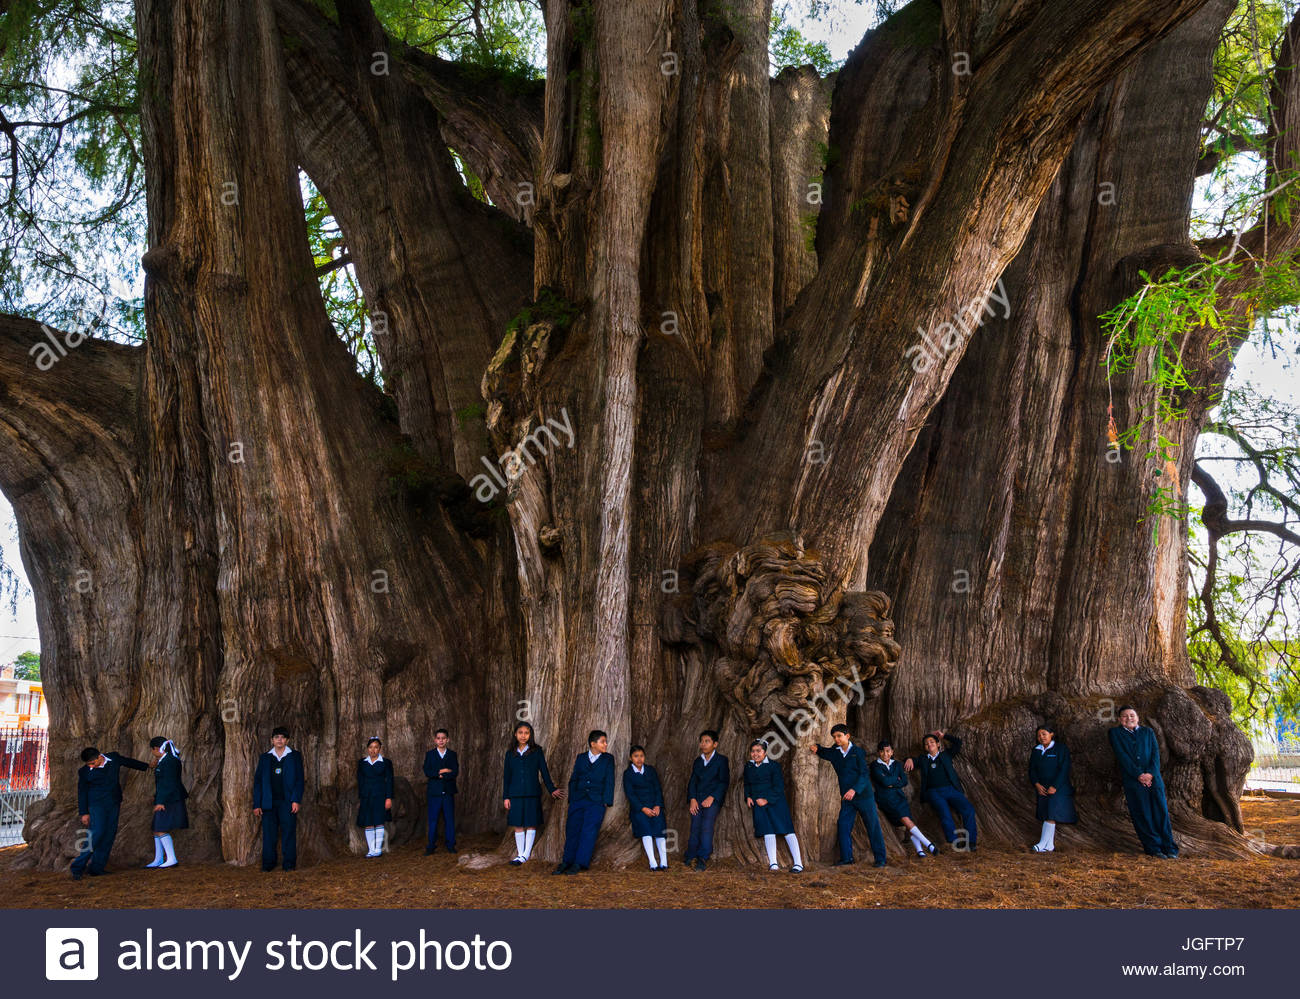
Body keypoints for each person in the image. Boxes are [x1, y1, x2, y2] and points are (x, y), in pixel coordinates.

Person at [809, 724, 888, 868]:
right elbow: (824, 752)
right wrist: (817, 748)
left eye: (839, 736)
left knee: (872, 826)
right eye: (834, 737)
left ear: (847, 736)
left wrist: (854, 790)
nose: (836, 739)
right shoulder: (835, 752)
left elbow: (864, 774)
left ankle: (880, 859)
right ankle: (847, 858)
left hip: (863, 796)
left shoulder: (858, 752)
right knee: (843, 826)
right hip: (847, 798)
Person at [1108, 706, 1178, 858]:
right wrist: (1139, 774)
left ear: (1138, 717)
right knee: (1143, 814)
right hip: (1133, 781)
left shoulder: (1148, 732)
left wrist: (1151, 774)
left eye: (1132, 715)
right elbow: (1122, 757)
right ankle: (1154, 848)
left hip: (1154, 780)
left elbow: (1155, 754)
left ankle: (1170, 848)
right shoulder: (1115, 733)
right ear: (1120, 720)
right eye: (1125, 716)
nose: (1129, 718)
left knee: (1161, 813)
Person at [70, 746, 149, 880]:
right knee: (96, 833)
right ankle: (77, 867)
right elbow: (82, 792)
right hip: (96, 806)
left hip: (113, 803)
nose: (91, 766)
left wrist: (147, 766)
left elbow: (129, 762)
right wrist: (84, 812)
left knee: (109, 834)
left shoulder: (114, 758)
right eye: (88, 764)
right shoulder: (84, 772)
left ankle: (97, 868)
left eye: (93, 763)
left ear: (100, 757)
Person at [553, 730, 616, 875]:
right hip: (578, 800)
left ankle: (579, 863)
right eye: (603, 741)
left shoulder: (608, 759)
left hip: (596, 801)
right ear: (593, 744)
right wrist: (572, 798)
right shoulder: (581, 758)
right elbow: (574, 777)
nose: (606, 744)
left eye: (606, 741)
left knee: (588, 831)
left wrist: (606, 801)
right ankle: (566, 861)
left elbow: (610, 780)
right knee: (572, 830)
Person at [904, 729, 978, 853]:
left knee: (968, 809)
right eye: (926, 743)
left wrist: (944, 736)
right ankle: (953, 841)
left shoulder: (946, 755)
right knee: (945, 814)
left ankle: (971, 842)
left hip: (951, 789)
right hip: (934, 792)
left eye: (932, 742)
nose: (929, 744)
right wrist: (909, 758)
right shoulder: (923, 759)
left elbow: (958, 743)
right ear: (925, 747)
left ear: (938, 744)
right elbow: (910, 760)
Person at [503, 721, 564, 865]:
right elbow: (507, 777)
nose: (523, 736)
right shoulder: (510, 753)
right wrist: (506, 796)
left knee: (531, 823)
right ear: (515, 734)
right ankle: (520, 854)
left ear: (530, 735)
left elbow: (544, 771)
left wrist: (551, 789)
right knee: (518, 824)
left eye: (526, 733)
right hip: (515, 794)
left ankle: (525, 854)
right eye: (520, 733)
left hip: (532, 792)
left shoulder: (537, 751)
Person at [744, 739, 803, 872]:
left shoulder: (773, 766)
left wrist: (766, 799)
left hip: (775, 802)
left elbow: (779, 786)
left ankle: (798, 863)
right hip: (758, 804)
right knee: (767, 831)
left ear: (765, 752)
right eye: (753, 751)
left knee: (787, 829)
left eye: (758, 751)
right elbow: (747, 784)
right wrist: (748, 796)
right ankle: (773, 864)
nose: (755, 754)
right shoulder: (749, 766)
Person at [870, 740, 936, 858]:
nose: (885, 754)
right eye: (882, 751)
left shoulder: (897, 764)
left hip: (900, 797)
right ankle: (928, 844)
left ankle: (919, 850)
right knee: (906, 819)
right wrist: (896, 779)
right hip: (886, 798)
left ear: (892, 752)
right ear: (878, 753)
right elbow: (885, 782)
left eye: (888, 751)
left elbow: (904, 781)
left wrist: (892, 782)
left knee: (908, 821)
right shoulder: (875, 765)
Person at [253, 726, 305, 872]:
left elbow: (299, 780)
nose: (279, 740)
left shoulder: (294, 756)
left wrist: (296, 799)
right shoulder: (265, 758)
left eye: (282, 737)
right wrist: (257, 803)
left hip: (287, 802)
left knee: (288, 833)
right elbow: (257, 782)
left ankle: (289, 864)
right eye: (276, 737)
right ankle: (268, 864)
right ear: (272, 740)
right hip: (268, 803)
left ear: (287, 740)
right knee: (269, 835)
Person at [683, 729, 729, 871]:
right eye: (702, 741)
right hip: (697, 799)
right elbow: (693, 782)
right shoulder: (698, 761)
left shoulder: (721, 760)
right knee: (695, 827)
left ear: (715, 744)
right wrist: (692, 799)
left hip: (712, 800)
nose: (703, 744)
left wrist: (712, 797)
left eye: (707, 741)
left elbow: (723, 781)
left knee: (706, 827)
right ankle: (691, 854)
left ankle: (703, 857)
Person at [1028, 722, 1076, 853]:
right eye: (1039, 735)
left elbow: (1064, 768)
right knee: (1046, 814)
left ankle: (1042, 843)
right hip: (1042, 787)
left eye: (1044, 734)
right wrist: (1036, 784)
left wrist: (1055, 786)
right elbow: (1032, 770)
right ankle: (1049, 846)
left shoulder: (1060, 749)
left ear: (1051, 734)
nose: (1041, 737)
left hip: (1058, 787)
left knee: (1051, 813)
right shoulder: (1036, 750)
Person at [623, 745, 668, 871]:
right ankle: (652, 862)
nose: (639, 759)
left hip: (655, 806)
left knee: (660, 830)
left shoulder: (650, 770)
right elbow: (630, 794)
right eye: (636, 756)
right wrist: (643, 808)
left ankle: (664, 861)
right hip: (640, 809)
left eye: (641, 756)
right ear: (630, 758)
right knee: (646, 831)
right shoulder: (628, 774)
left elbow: (658, 788)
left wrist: (658, 805)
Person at [146, 737, 188, 869]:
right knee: (156, 828)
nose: (152, 753)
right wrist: (156, 796)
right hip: (165, 797)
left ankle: (171, 858)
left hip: (170, 799)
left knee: (160, 828)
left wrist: (160, 801)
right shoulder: (165, 760)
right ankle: (158, 859)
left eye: (152, 750)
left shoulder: (169, 761)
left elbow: (168, 783)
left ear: (156, 749)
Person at [356, 737, 394, 858]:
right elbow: (360, 781)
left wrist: (388, 798)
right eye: (371, 747)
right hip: (367, 797)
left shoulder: (386, 762)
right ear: (368, 748)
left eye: (376, 747)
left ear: (380, 749)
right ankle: (371, 850)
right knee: (368, 823)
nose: (373, 750)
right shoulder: (362, 763)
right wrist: (361, 796)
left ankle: (378, 849)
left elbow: (389, 781)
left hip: (380, 796)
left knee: (378, 822)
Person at [422, 728, 458, 854]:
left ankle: (451, 845)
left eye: (443, 738)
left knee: (449, 819)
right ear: (435, 740)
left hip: (448, 792)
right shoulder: (430, 754)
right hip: (434, 793)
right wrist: (441, 772)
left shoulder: (452, 754)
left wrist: (446, 774)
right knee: (433, 820)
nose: (441, 740)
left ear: (447, 739)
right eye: (438, 738)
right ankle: (431, 845)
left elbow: (455, 772)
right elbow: (427, 771)